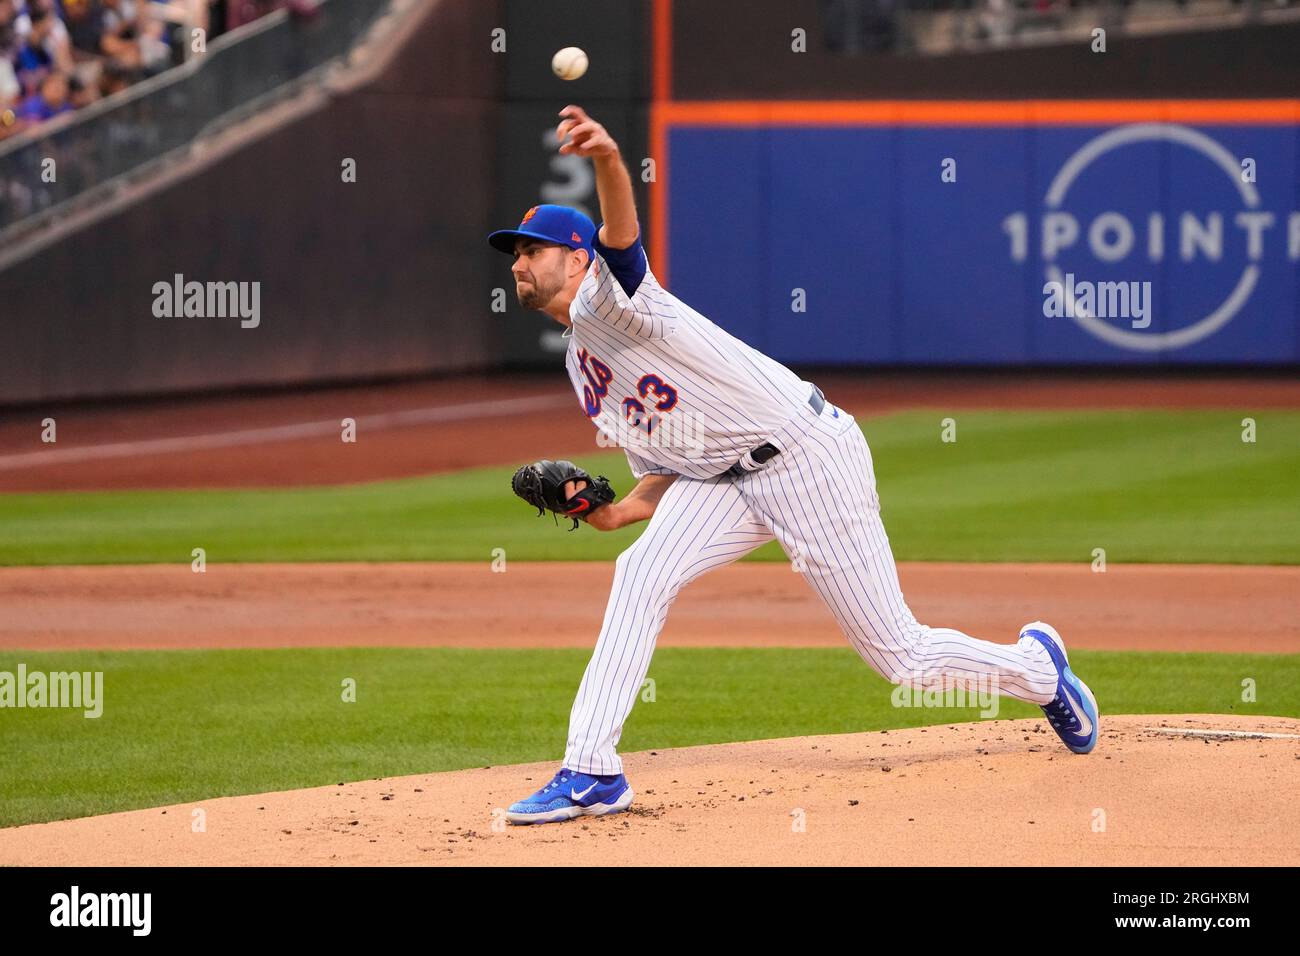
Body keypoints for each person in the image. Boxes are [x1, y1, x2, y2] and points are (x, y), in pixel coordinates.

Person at [487, 105, 1099, 826]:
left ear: (577, 259)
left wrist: (610, 160)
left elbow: (623, 239)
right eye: (516, 253)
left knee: (899, 656)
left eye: (532, 249)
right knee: (638, 570)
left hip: (808, 458)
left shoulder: (612, 301)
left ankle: (1037, 668)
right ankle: (593, 770)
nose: (519, 263)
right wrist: (608, 511)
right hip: (726, 480)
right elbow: (665, 468)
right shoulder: (583, 365)